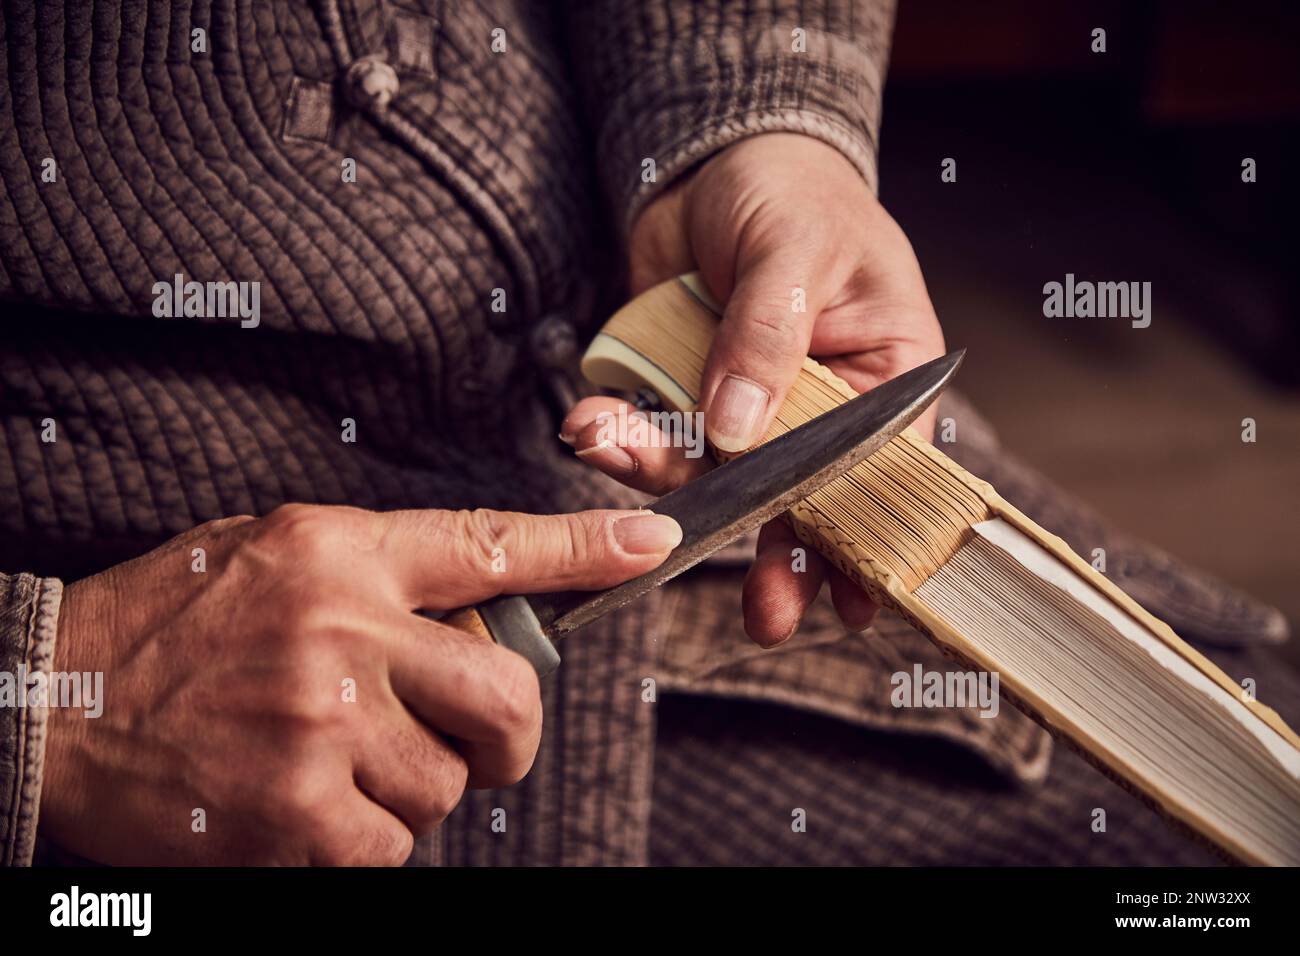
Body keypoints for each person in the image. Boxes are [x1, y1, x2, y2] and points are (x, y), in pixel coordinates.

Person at [0, 1, 1280, 867]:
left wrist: (755, 115)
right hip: (254, 724)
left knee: (1257, 713)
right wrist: (55, 697)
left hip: (687, 383)